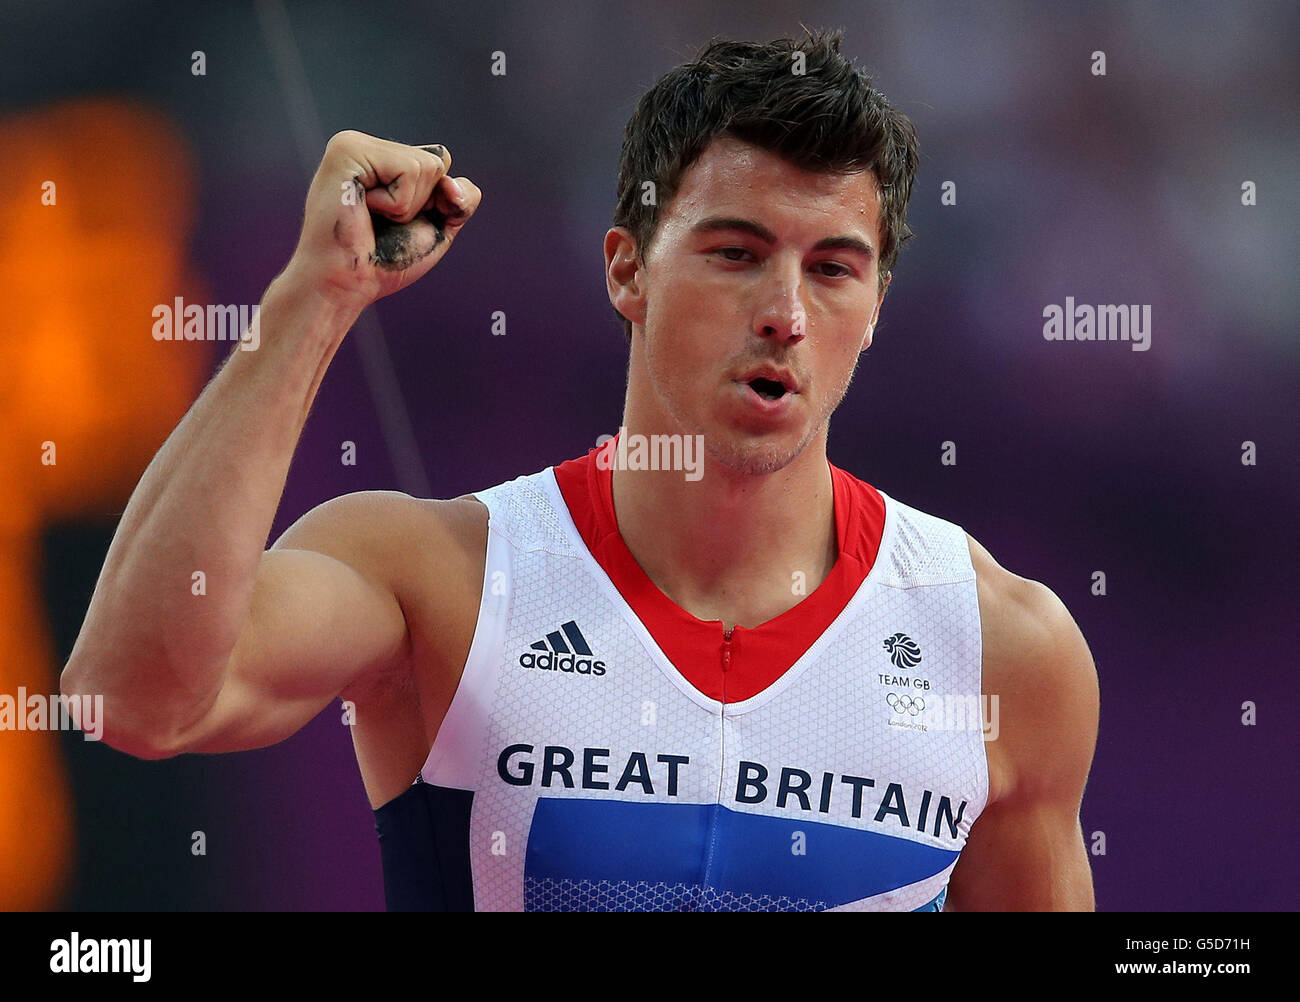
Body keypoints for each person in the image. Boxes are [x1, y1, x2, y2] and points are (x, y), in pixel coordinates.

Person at [62, 28, 1099, 911]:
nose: (783, 311)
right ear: (627, 271)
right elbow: (132, 699)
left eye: (832, 269)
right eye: (734, 253)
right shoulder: (439, 574)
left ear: (873, 310)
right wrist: (311, 299)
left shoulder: (1000, 649)